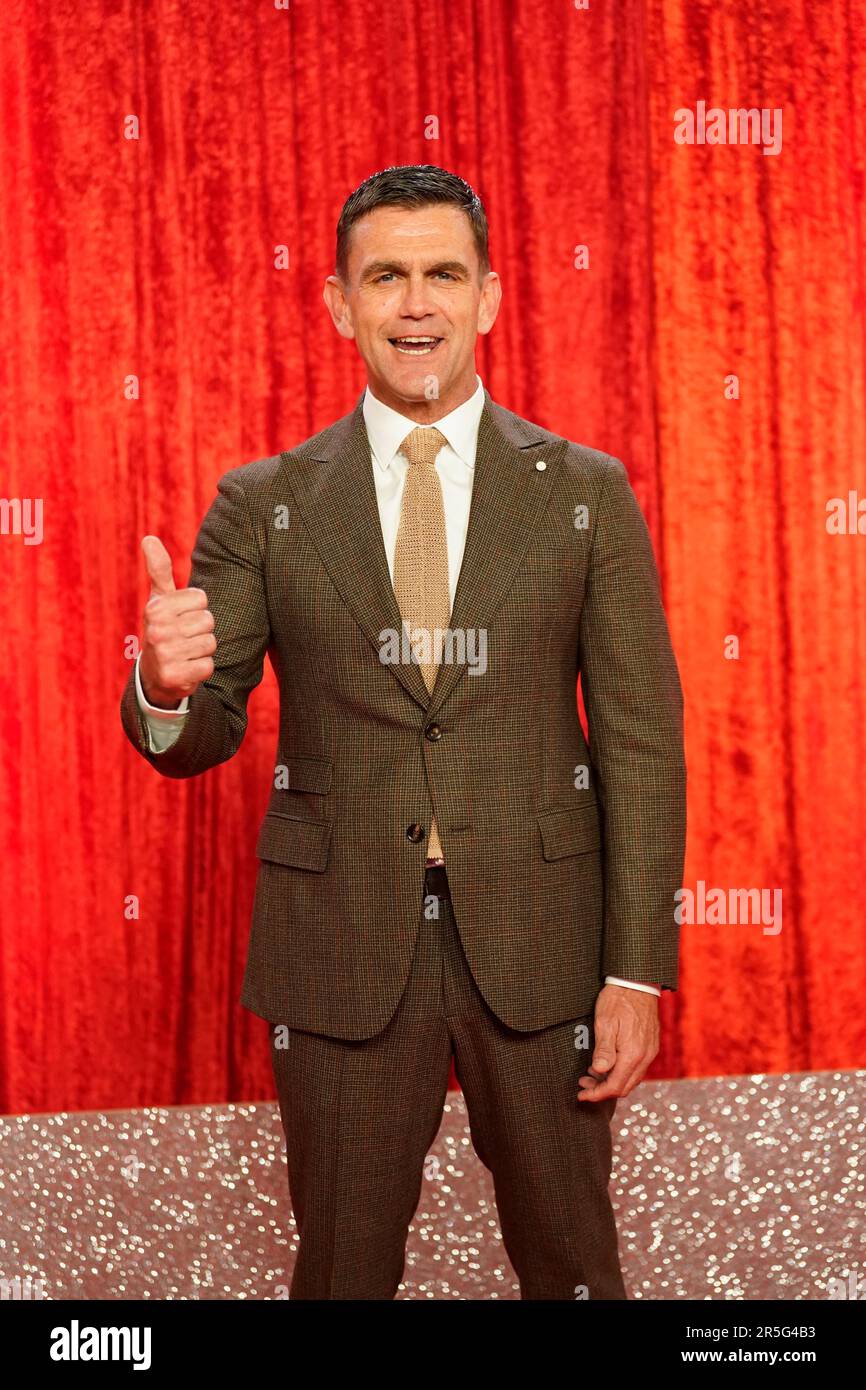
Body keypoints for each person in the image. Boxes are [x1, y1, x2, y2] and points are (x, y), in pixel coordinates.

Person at [120, 163, 687, 1300]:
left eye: (441, 274)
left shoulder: (584, 490)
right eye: (385, 277)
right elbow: (201, 731)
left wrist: (635, 969)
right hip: (338, 953)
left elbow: (638, 741)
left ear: (486, 297)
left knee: (575, 1265)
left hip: (544, 950)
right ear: (339, 303)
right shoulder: (262, 502)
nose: (414, 303)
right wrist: (165, 687)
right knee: (338, 1273)